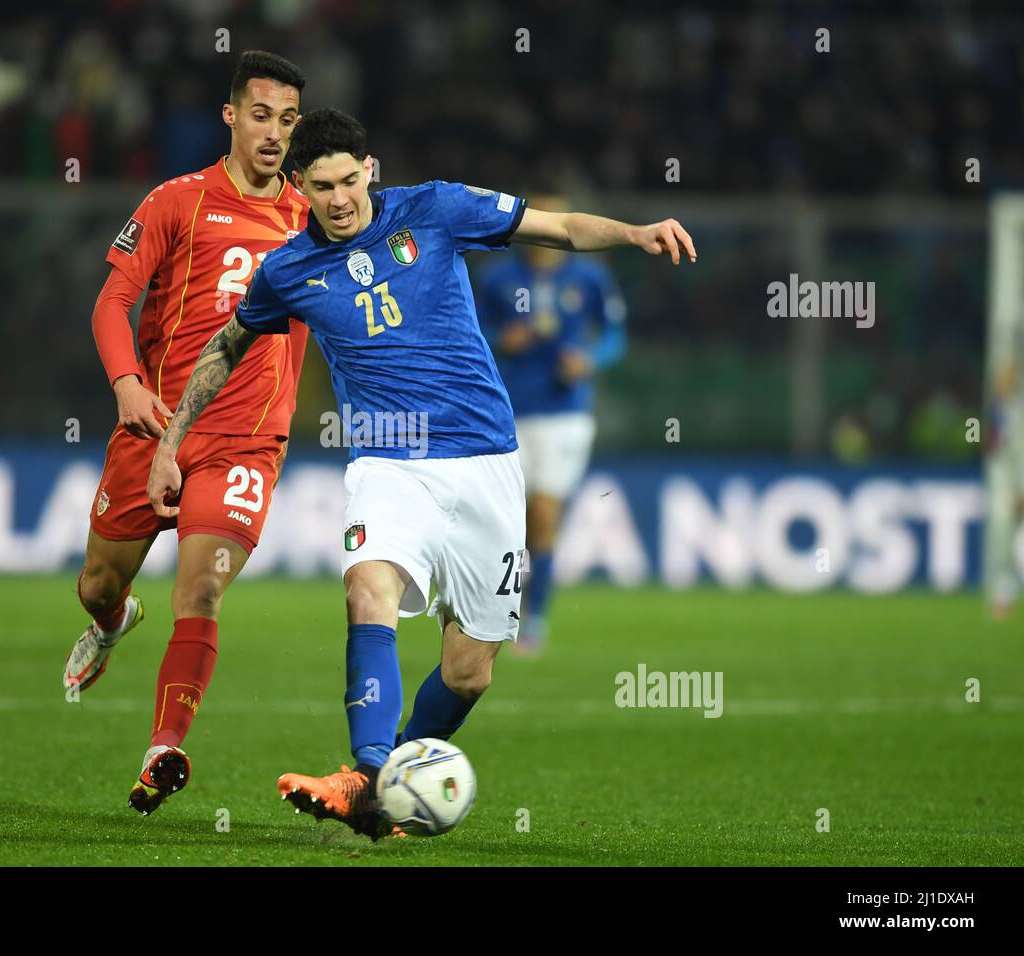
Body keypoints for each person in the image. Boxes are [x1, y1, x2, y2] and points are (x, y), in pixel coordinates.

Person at [147, 108, 695, 839]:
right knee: (368, 589)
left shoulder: (434, 209)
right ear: (298, 186)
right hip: (387, 461)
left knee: (470, 671)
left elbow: (557, 230)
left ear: (368, 170)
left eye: (349, 180)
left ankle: (384, 793)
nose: (339, 199)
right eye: (321, 187)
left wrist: (633, 233)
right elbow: (227, 345)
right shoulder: (287, 269)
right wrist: (168, 442)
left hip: (486, 460)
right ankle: (367, 772)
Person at [61, 51, 311, 815]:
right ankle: (111, 625)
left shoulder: (313, 217)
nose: (274, 134)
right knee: (97, 584)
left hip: (246, 441)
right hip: (156, 427)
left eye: (289, 120)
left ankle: (163, 748)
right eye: (261, 115)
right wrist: (128, 383)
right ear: (231, 116)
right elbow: (113, 304)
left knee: (200, 587)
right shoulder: (178, 200)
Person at [477, 195, 628, 653]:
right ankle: (491, 610)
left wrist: (588, 360)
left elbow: (615, 335)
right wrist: (502, 339)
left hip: (565, 414)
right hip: (505, 411)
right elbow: (471, 330)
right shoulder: (498, 278)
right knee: (504, 523)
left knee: (542, 515)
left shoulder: (590, 276)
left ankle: (534, 615)